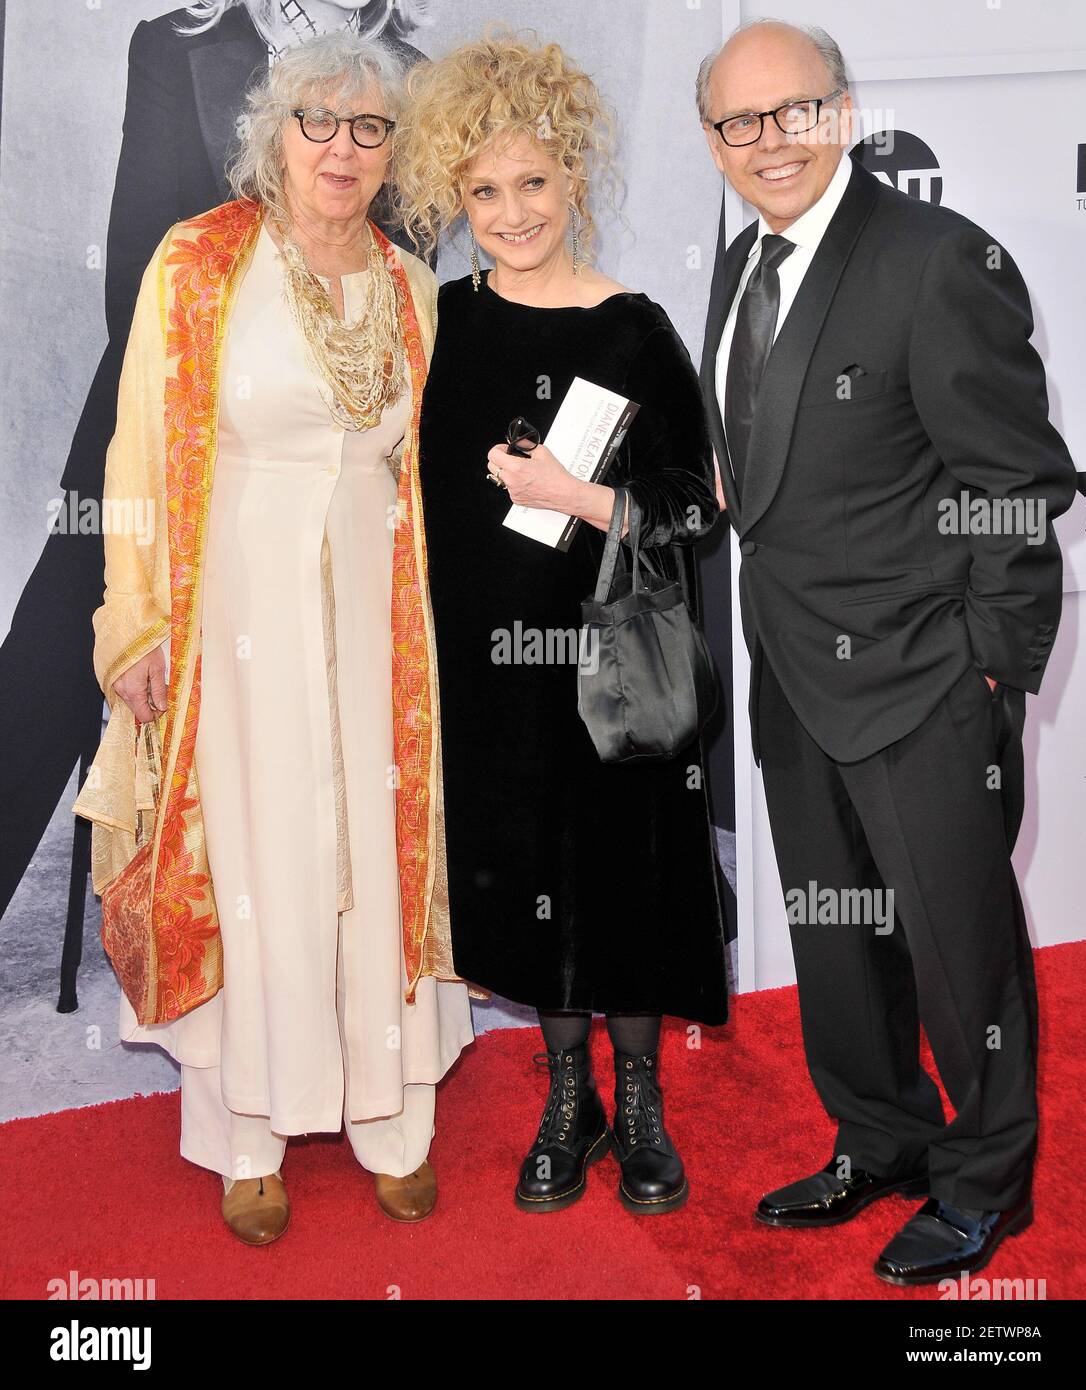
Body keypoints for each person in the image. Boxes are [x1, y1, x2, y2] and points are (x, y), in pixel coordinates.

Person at [73, 31, 473, 1245]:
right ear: (272, 133)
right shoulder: (196, 262)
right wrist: (130, 621)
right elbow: (135, 453)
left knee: (371, 836)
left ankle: (389, 1113)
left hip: (378, 604)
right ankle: (246, 1132)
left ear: (395, 151)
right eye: (318, 121)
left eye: (369, 129)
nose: (342, 149)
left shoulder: (410, 284)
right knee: (254, 848)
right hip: (228, 606)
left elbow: (418, 466)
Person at [696, 18, 1076, 1284]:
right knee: (834, 935)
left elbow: (1016, 483)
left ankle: (982, 1182)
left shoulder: (934, 259)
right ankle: (880, 1137)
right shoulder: (739, 267)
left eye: (792, 111)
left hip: (924, 681)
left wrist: (992, 672)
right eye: (738, 123)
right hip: (792, 676)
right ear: (713, 143)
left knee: (956, 944)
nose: (768, 142)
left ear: (842, 113)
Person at [395, 29, 729, 1216]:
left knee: (623, 879)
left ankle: (637, 1105)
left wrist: (574, 496)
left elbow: (697, 504)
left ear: (573, 177)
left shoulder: (632, 328)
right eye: (482, 191)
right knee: (528, 876)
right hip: (485, 670)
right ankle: (567, 1098)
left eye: (530, 183)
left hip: (611, 670)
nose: (510, 211)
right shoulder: (440, 321)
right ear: (454, 199)